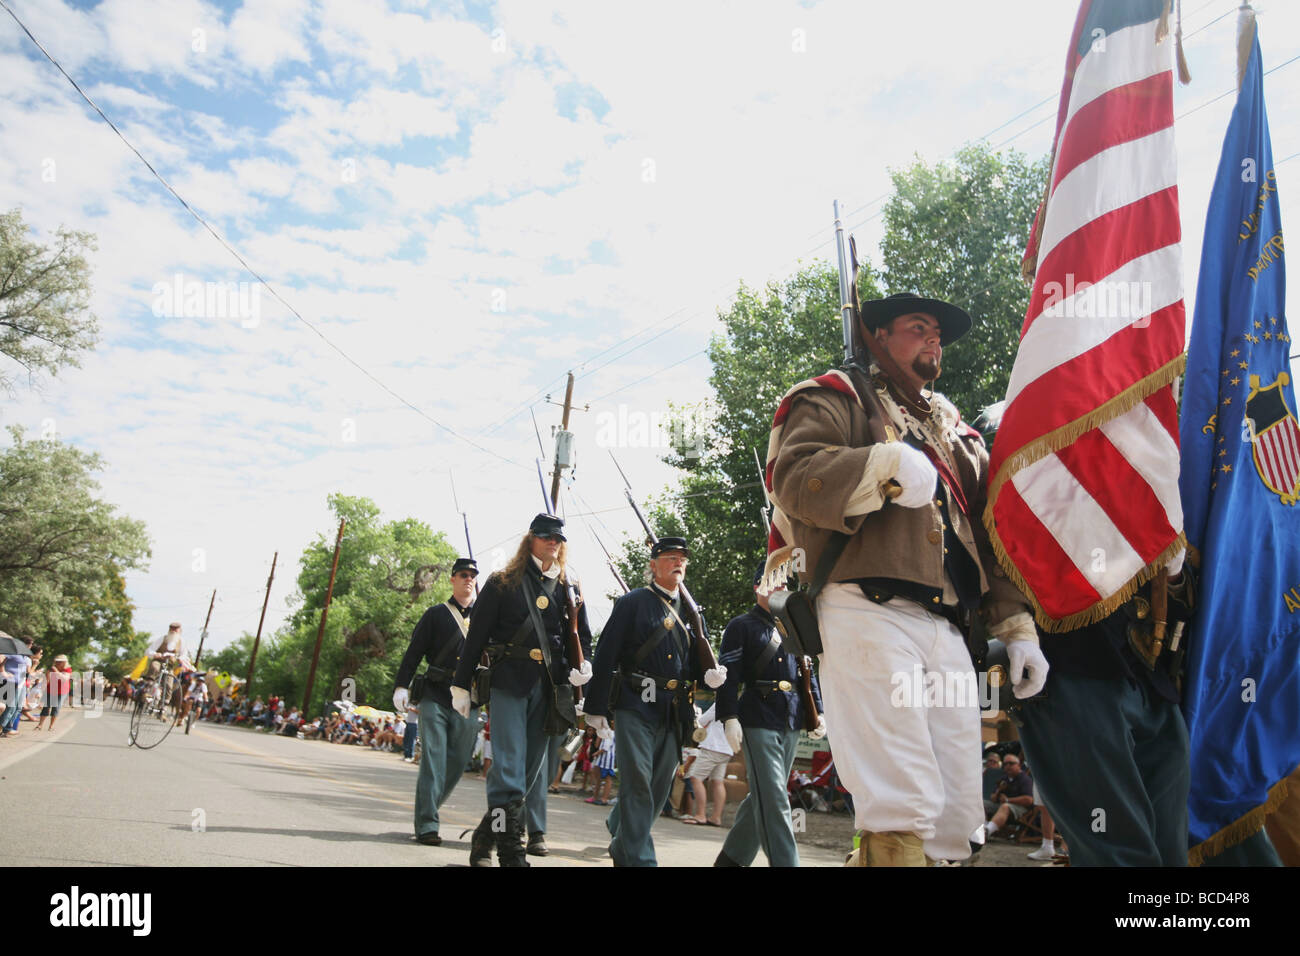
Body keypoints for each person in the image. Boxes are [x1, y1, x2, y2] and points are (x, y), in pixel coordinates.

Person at [766, 292, 1046, 866]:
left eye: (937, 333)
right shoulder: (833, 397)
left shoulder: (955, 435)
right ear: (877, 336)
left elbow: (988, 533)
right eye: (918, 328)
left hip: (950, 625)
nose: (933, 341)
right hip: (866, 605)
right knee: (902, 794)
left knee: (956, 811)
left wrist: (1017, 625)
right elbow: (794, 479)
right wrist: (881, 467)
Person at [451, 515, 593, 867]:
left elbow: (582, 637)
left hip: (549, 689)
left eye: (557, 538)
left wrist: (584, 666)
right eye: (545, 536)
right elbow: (476, 639)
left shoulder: (569, 587)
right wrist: (460, 684)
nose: (552, 542)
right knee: (510, 766)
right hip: (509, 682)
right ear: (530, 539)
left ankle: (485, 837)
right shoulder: (503, 582)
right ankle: (512, 852)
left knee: (529, 774)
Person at [583, 536, 728, 867]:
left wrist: (710, 674)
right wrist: (595, 707)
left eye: (682, 559)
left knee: (660, 784)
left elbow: (690, 665)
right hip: (635, 701)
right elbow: (606, 654)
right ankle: (639, 859)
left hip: (672, 707)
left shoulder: (692, 614)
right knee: (638, 781)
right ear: (653, 564)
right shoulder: (632, 602)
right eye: (670, 557)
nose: (678, 562)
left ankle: (623, 837)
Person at [713, 566, 826, 866]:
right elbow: (728, 675)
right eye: (769, 584)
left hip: (790, 717)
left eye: (781, 583)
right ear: (756, 589)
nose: (776, 588)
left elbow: (806, 670)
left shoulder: (795, 625)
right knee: (775, 798)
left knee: (763, 796)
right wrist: (728, 716)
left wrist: (819, 711)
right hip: (757, 716)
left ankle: (730, 861)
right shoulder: (741, 626)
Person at [393, 557, 482, 846]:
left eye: (472, 575)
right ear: (452, 579)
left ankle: (426, 809)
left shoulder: (486, 617)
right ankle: (428, 823)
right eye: (463, 574)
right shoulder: (435, 614)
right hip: (435, 694)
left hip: (470, 698)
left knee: (456, 763)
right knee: (433, 759)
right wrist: (400, 685)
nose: (468, 579)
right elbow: (414, 651)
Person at [681, 703, 732, 827]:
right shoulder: (738, 703)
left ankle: (700, 815)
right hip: (727, 748)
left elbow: (701, 720)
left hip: (712, 746)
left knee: (695, 778)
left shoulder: (719, 702)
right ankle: (716, 817)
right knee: (717, 781)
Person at [983, 753, 1033, 837]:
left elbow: (1029, 800)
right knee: (981, 803)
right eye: (1005, 764)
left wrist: (1008, 800)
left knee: (1005, 806)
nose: (1008, 766)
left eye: (1011, 764)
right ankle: (982, 827)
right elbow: (993, 798)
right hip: (1002, 805)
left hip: (1021, 808)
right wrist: (998, 791)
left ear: (1018, 765)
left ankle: (987, 831)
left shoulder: (1024, 779)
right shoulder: (1004, 778)